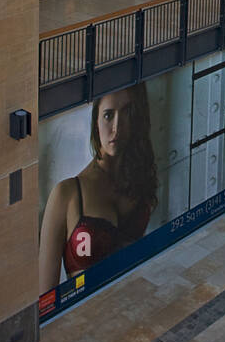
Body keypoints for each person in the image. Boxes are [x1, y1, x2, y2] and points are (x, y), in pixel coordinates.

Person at [38, 83, 160, 296]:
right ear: (95, 121)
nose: (116, 128)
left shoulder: (139, 178)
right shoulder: (66, 194)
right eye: (108, 115)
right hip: (86, 316)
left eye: (127, 113)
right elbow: (46, 297)